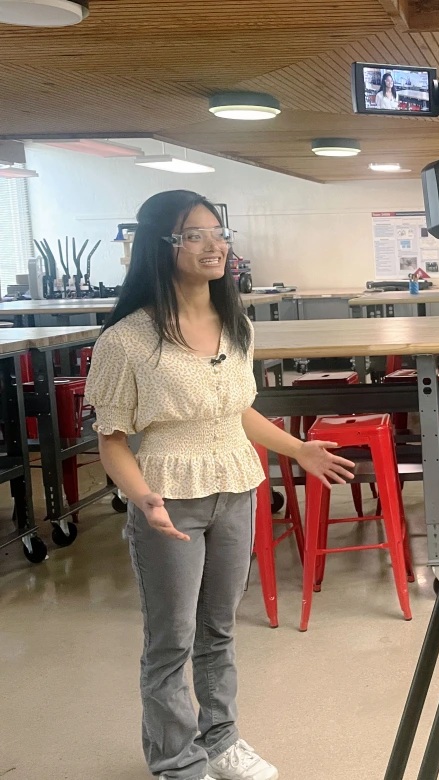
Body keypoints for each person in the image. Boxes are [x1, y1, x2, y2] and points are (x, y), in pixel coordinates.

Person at [87, 190, 355, 780]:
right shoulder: (127, 340)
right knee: (171, 639)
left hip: (237, 485)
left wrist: (299, 448)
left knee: (219, 629)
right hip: (168, 497)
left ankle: (222, 741)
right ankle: (177, 762)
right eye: (195, 234)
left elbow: (237, 411)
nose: (215, 245)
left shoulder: (237, 323)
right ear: (163, 246)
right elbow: (112, 438)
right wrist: (143, 498)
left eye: (218, 231)